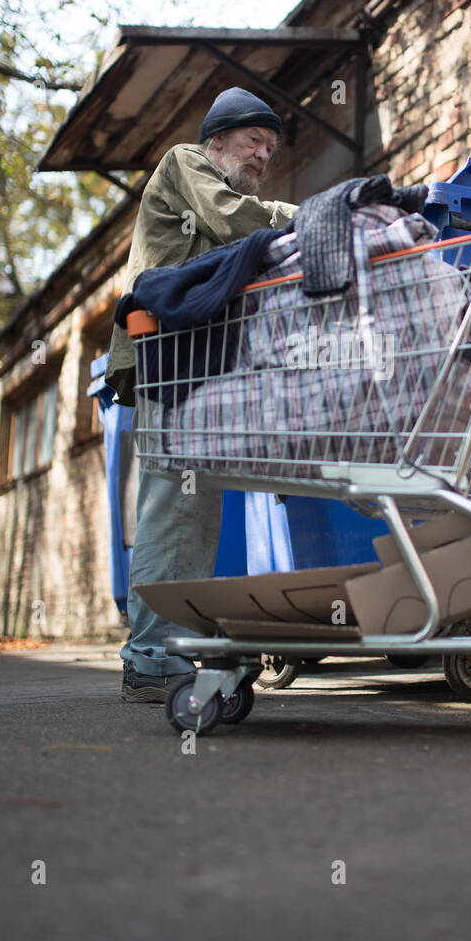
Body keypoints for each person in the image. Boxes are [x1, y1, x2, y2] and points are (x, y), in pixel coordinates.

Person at [105, 87, 297, 702]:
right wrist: (312, 216)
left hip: (199, 364)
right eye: (253, 141)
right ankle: (152, 656)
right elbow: (236, 219)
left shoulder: (232, 209)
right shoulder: (186, 162)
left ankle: (170, 646)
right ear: (216, 141)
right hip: (165, 357)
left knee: (195, 506)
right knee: (175, 504)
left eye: (270, 147)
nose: (263, 154)